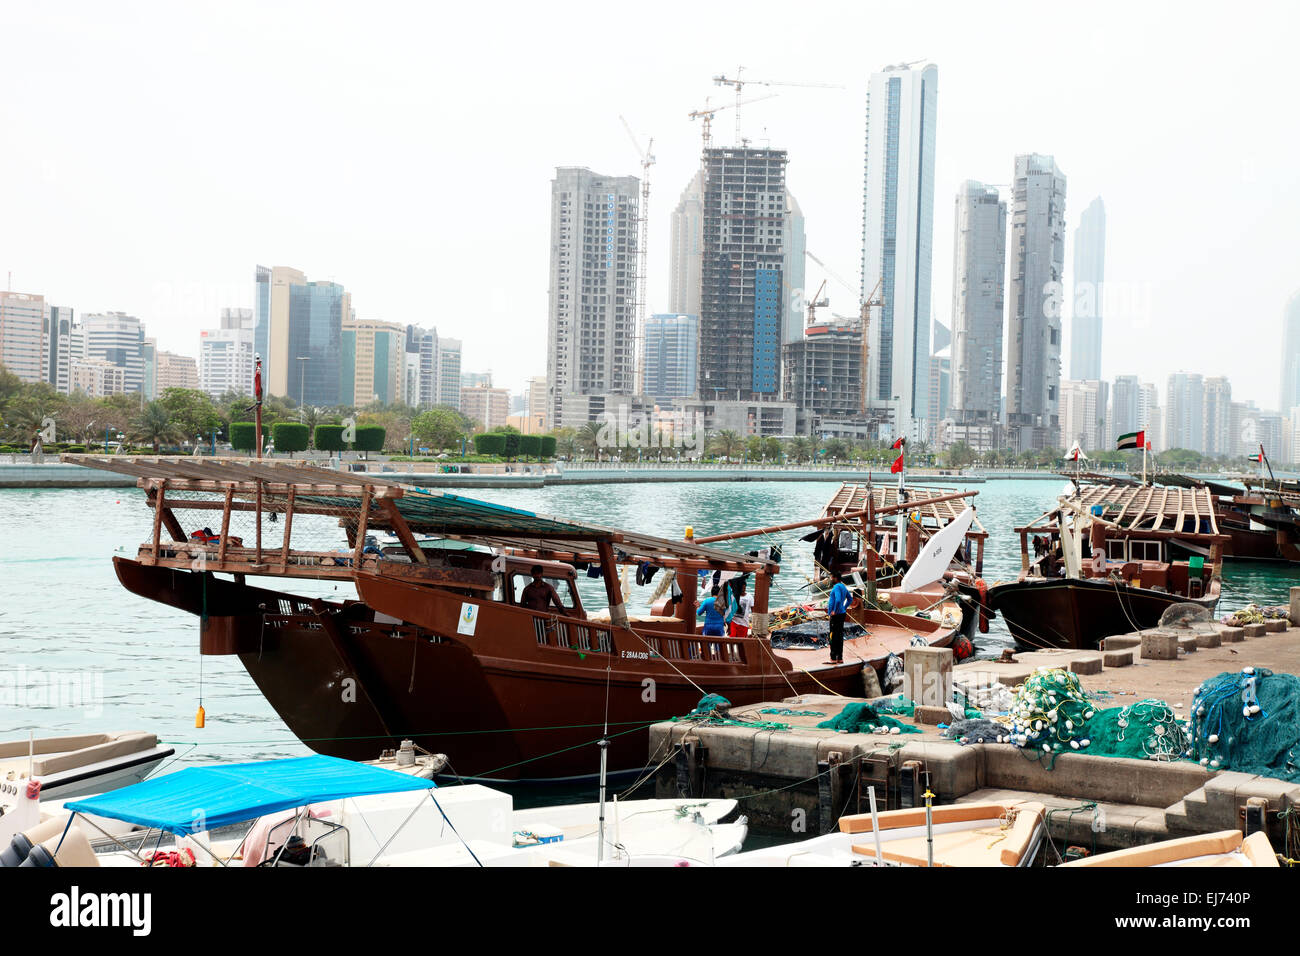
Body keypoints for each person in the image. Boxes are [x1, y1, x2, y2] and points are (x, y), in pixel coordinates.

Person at [825, 572, 850, 664]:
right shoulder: (843, 586)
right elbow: (850, 599)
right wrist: (844, 607)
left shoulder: (836, 587)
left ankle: (833, 658)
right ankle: (840, 657)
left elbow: (838, 599)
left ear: (835, 578)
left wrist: (834, 610)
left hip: (836, 615)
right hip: (842, 614)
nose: (831, 579)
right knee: (839, 635)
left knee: (833, 635)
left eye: (831, 577)